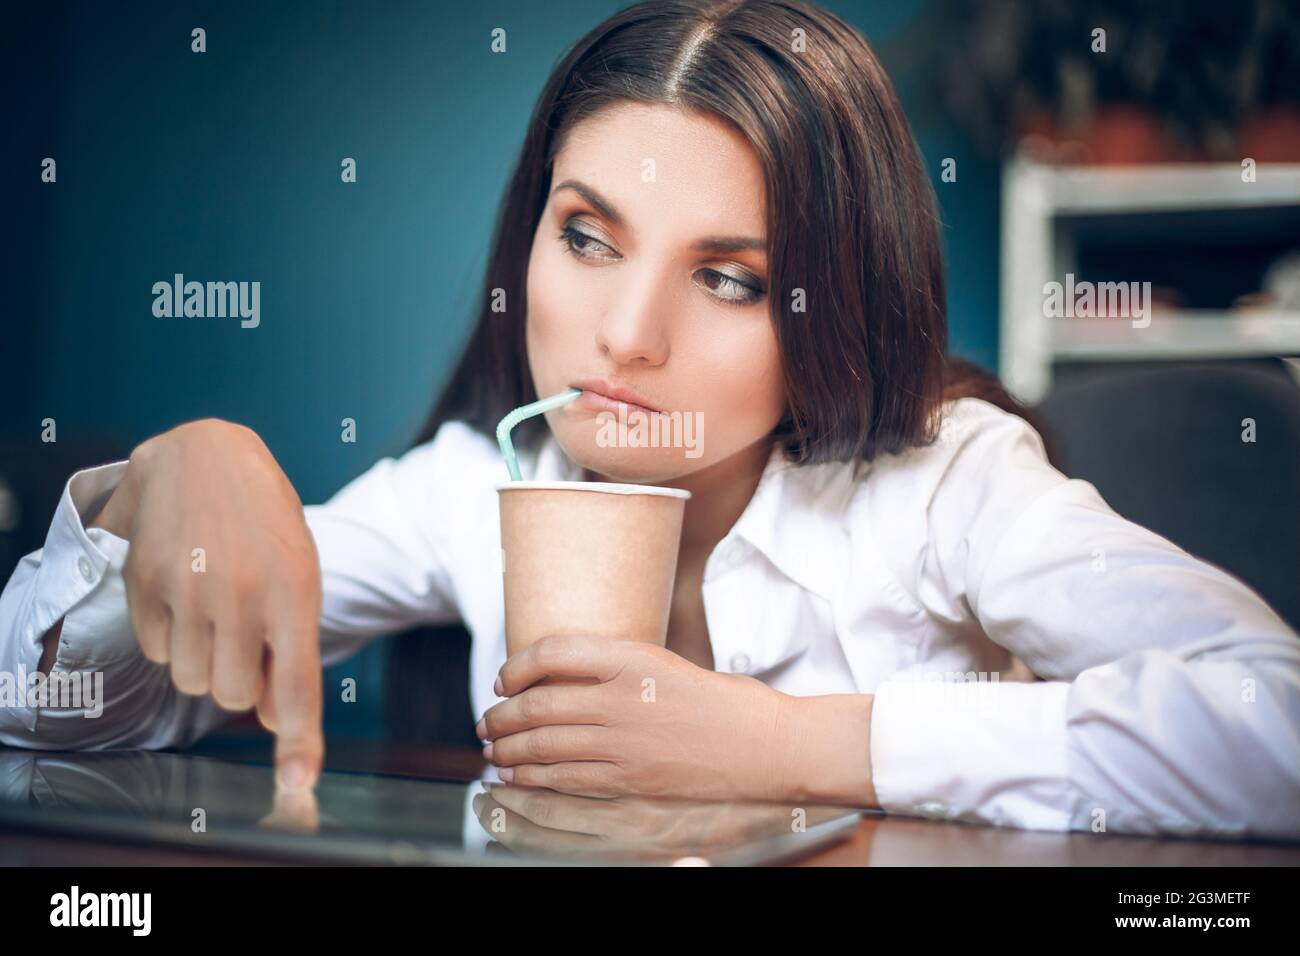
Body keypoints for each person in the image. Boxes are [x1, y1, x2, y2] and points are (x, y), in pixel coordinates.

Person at [2, 0, 1297, 840]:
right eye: (586, 238)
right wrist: (149, 495)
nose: (627, 334)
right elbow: (38, 711)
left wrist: (790, 743)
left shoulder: (944, 484)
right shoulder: (473, 491)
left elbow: (1277, 727)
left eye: (727, 276)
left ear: (832, 295)